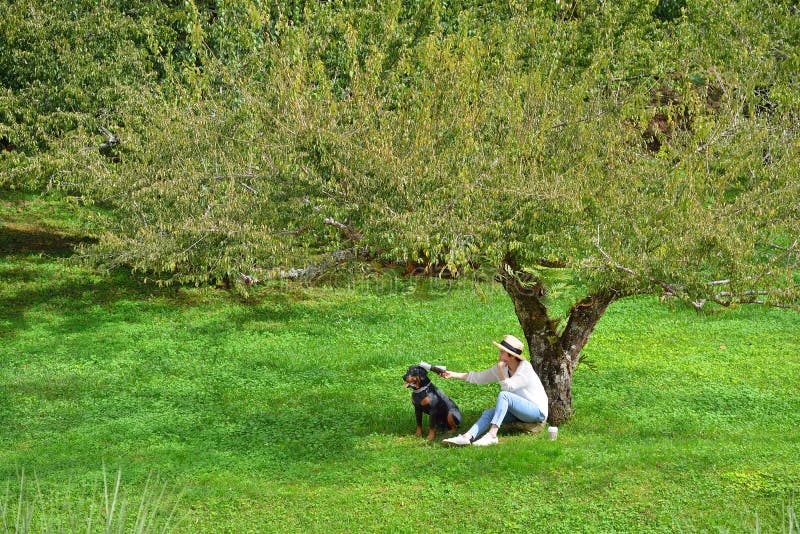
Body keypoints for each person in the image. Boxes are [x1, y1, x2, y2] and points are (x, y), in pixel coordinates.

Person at [441, 334, 548, 446]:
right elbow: (479, 377)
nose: (499, 354)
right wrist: (452, 374)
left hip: (536, 412)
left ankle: (492, 435)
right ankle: (466, 437)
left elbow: (508, 388)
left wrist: (501, 370)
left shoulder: (525, 368)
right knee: (488, 413)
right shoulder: (502, 368)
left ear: (511, 356)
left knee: (504, 395)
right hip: (518, 411)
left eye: (502, 352)